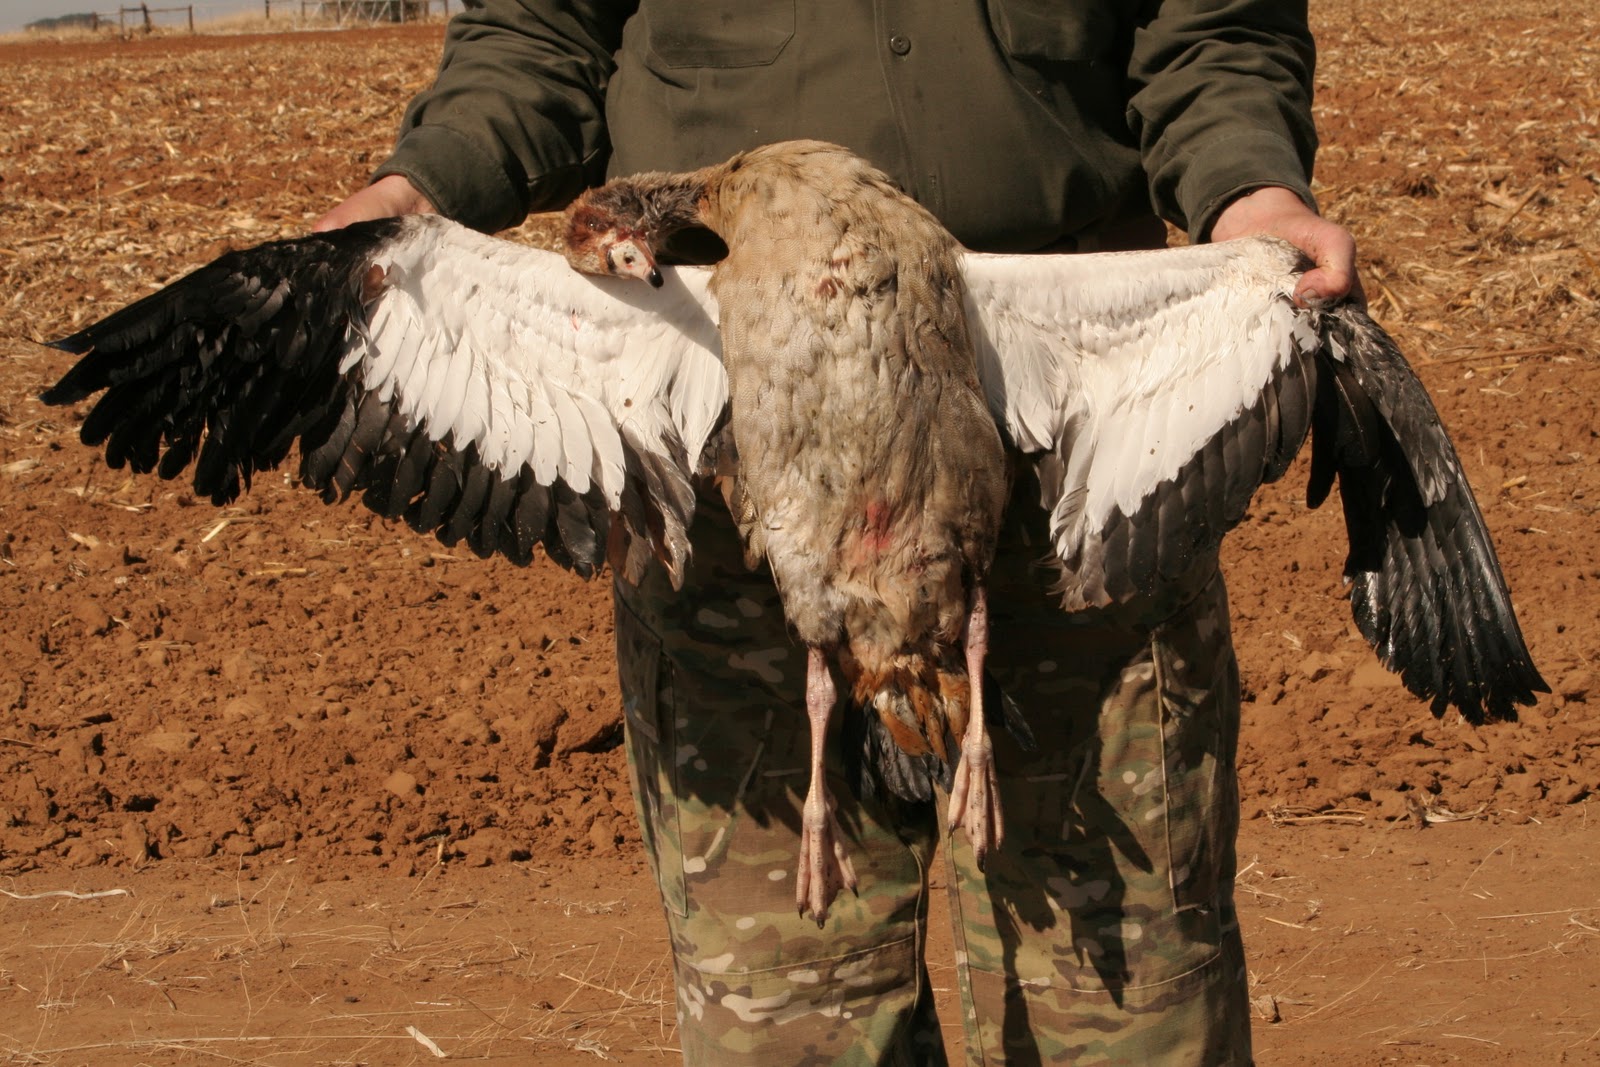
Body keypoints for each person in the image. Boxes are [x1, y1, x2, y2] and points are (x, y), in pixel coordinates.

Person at [316, 3, 1357, 1063]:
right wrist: (418, 184)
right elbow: (537, 32)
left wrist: (1250, 187)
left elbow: (1213, 23)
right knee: (792, 1030)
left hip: (1077, 443)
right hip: (739, 477)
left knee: (1129, 1018)